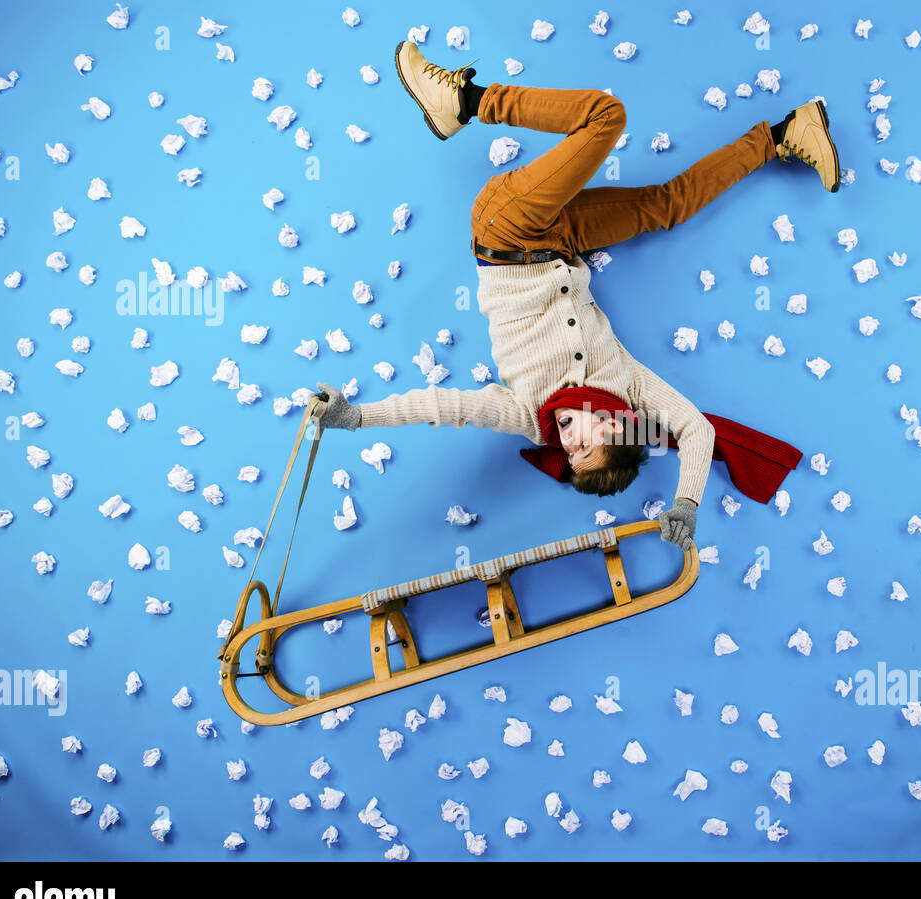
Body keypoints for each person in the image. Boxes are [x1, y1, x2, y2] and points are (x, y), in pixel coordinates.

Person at [315, 42, 840, 550]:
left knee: (605, 117)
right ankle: (783, 133)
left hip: (505, 234)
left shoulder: (528, 413)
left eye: (571, 455)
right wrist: (687, 502)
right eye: (586, 447)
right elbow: (695, 430)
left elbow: (445, 406)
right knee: (667, 202)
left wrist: (357, 417)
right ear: (613, 424)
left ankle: (463, 102)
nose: (568, 445)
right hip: (560, 241)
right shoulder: (629, 386)